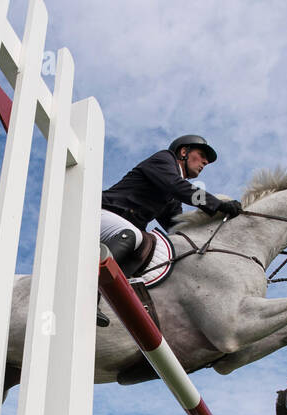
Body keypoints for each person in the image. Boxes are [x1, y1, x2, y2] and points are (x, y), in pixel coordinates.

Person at [96, 134, 243, 325]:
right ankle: (88, 291)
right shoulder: (164, 159)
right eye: (202, 155)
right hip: (99, 214)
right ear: (184, 151)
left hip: (116, 227)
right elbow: (180, 187)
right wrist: (218, 205)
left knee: (152, 251)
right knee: (133, 235)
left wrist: (214, 231)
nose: (205, 162)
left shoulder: (171, 196)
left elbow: (176, 226)